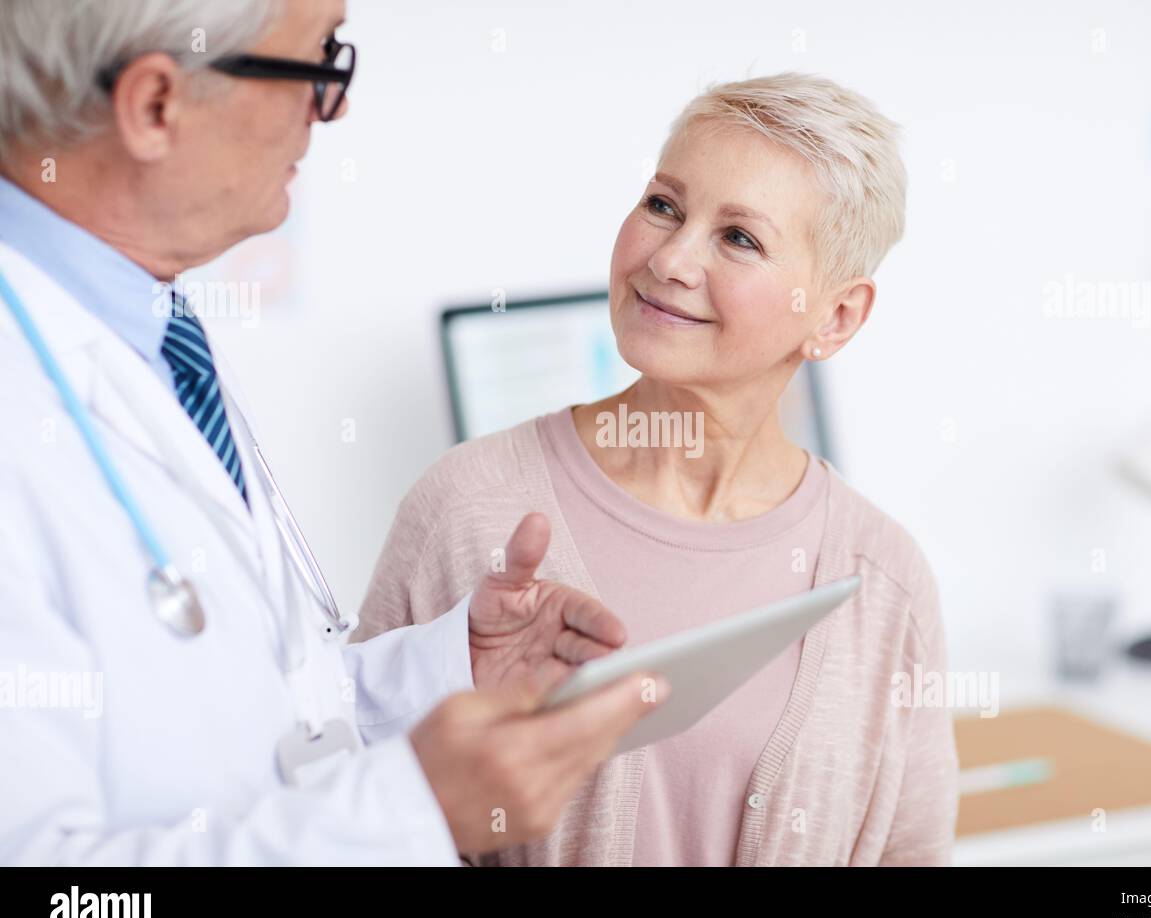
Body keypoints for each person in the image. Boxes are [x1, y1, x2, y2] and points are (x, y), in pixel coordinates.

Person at [0, 0, 664, 866]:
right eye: (317, 65)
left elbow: (247, 710)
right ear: (156, 104)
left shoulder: (151, 329)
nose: (334, 107)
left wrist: (447, 671)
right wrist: (410, 817)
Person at [358, 74, 959, 866]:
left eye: (739, 238)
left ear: (835, 316)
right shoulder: (467, 508)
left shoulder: (883, 580)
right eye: (663, 205)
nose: (670, 258)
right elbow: (348, 800)